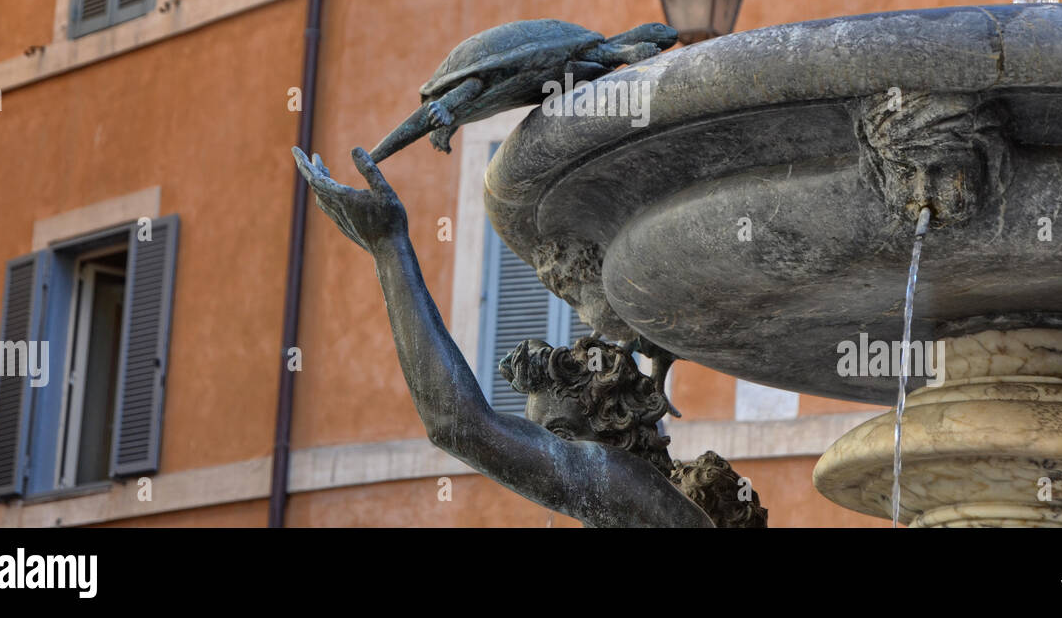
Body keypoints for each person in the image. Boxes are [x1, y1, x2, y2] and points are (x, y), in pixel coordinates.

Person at [292, 146, 767, 528]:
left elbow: (458, 425)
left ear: (617, 430)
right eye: (540, 438)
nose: (540, 454)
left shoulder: (627, 486)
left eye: (559, 437)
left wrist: (390, 248)